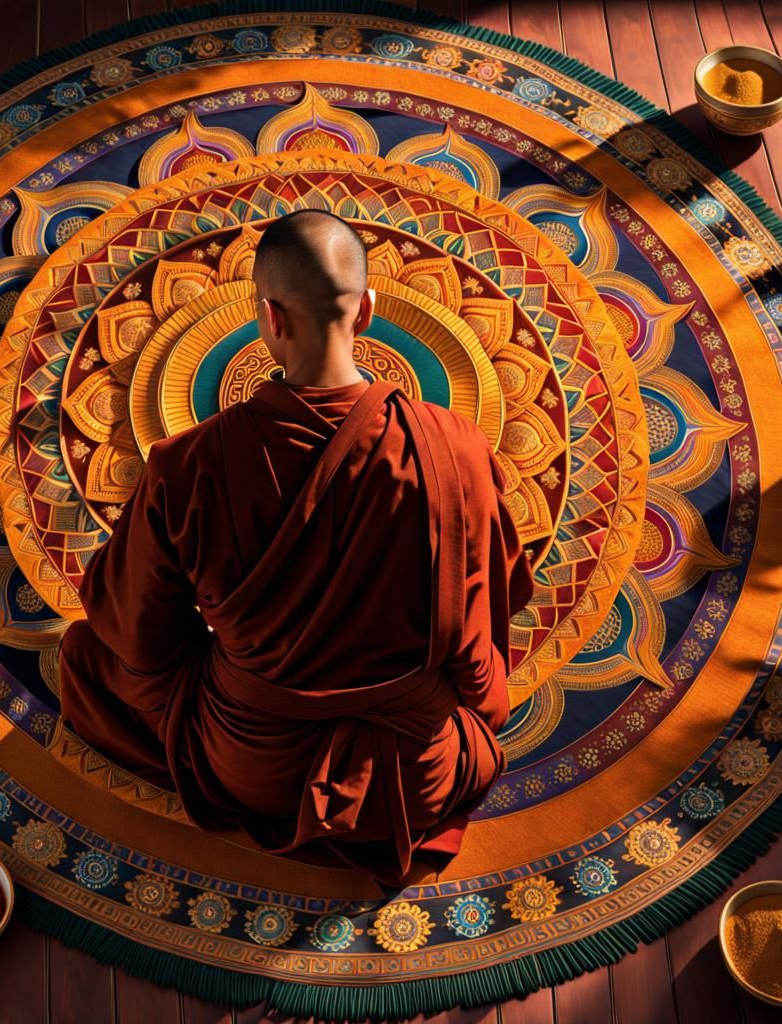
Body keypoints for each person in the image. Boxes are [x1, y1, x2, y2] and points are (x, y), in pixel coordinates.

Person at [58, 209, 535, 888]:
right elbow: (488, 606)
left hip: (252, 766)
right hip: (417, 771)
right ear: (367, 310)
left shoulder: (190, 463)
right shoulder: (453, 445)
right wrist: (473, 707)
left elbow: (137, 632)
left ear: (270, 319)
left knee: (87, 658)